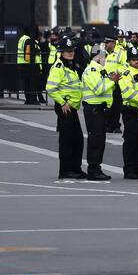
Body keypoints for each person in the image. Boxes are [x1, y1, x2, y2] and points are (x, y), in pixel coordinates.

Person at [47, 40, 87, 179]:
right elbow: (50, 88)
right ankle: (65, 170)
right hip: (65, 108)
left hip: (72, 108)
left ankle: (75, 168)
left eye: (72, 51)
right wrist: (62, 103)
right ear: (62, 52)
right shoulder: (58, 67)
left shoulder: (70, 66)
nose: (71, 53)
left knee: (77, 140)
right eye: (68, 51)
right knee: (67, 141)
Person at [80, 48, 115, 181]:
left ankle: (96, 168)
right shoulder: (92, 70)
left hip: (99, 109)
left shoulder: (100, 70)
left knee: (100, 140)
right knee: (95, 140)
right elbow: (99, 89)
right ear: (99, 57)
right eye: (104, 57)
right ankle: (93, 169)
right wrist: (112, 81)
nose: (105, 60)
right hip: (93, 109)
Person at [117, 48, 138, 179]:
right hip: (131, 111)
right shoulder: (126, 74)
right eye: (133, 59)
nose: (136, 61)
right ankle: (129, 169)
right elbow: (128, 92)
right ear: (128, 60)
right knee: (130, 141)